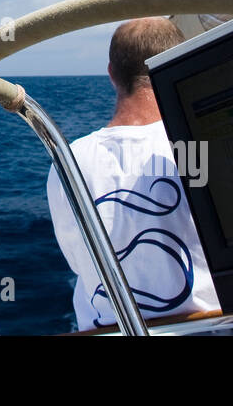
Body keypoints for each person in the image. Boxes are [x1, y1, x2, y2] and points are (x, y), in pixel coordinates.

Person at [45, 17, 218, 331]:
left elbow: (77, 260)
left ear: (111, 73)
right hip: (209, 326)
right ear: (178, 63)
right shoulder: (195, 144)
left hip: (105, 329)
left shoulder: (68, 159)